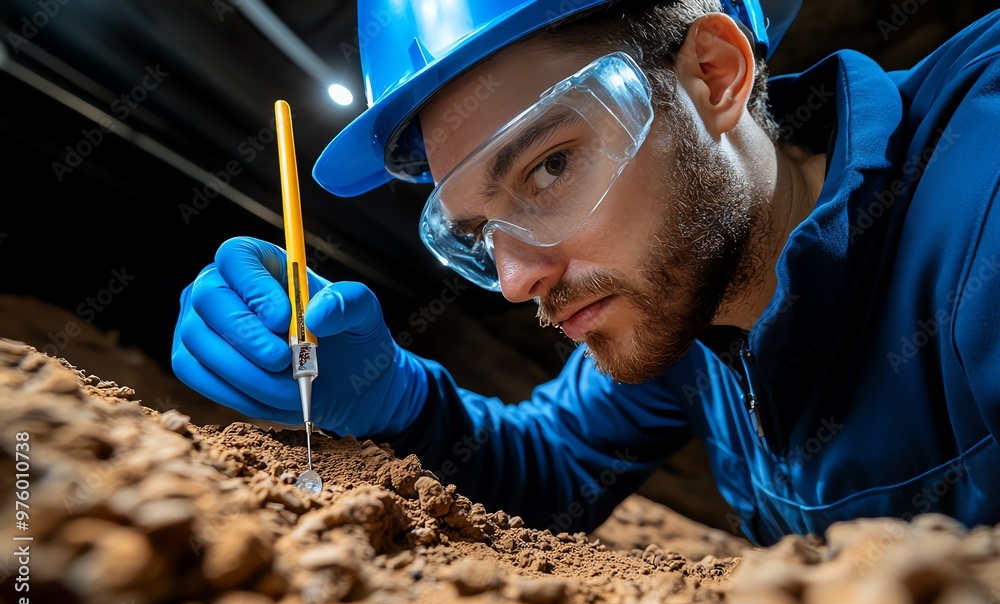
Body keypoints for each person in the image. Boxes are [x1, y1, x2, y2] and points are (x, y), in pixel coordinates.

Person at [171, 0, 1000, 546]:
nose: (516, 279)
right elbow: (561, 463)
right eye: (476, 231)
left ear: (714, 75)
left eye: (548, 167)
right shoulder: (684, 301)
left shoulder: (980, 194)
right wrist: (396, 398)